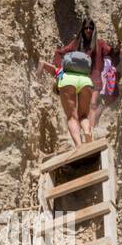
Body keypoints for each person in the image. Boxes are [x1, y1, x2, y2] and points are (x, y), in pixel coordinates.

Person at [48, 17, 98, 147]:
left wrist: (60, 70)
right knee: (83, 115)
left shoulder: (75, 43)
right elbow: (106, 57)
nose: (88, 30)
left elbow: (59, 53)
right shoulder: (97, 44)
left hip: (69, 79)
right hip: (85, 80)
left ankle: (79, 145)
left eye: (90, 28)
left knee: (71, 116)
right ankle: (87, 132)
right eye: (87, 28)